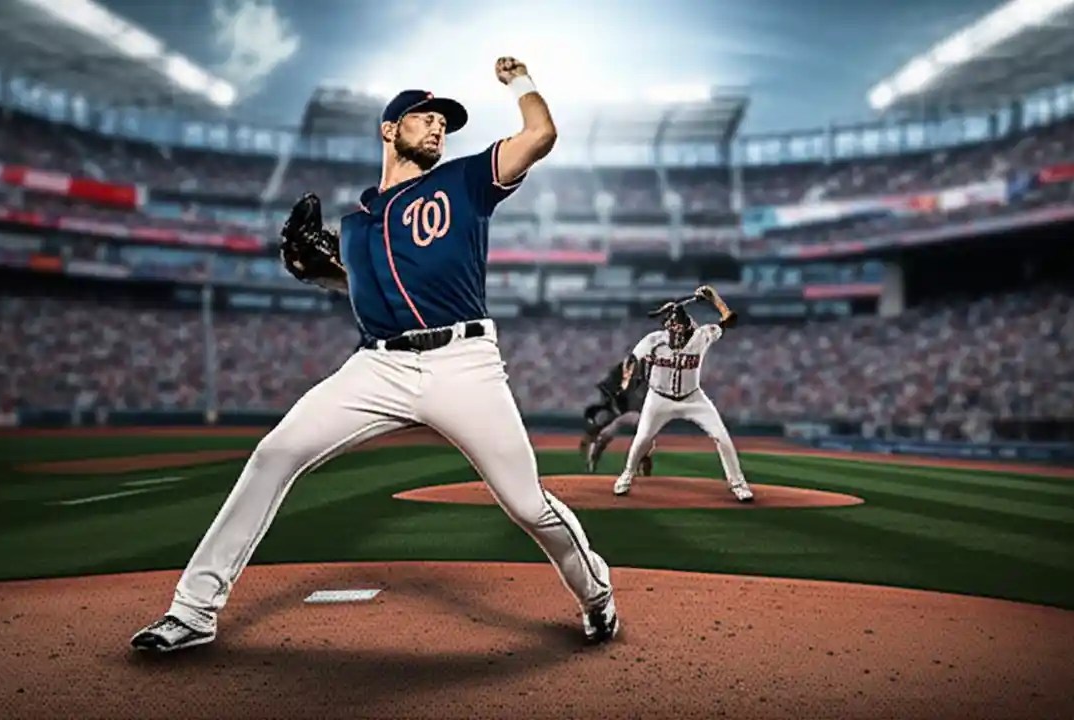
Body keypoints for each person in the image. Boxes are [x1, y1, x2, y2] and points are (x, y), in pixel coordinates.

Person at [130, 57, 619, 653]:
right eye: (425, 118)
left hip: (462, 363)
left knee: (526, 504)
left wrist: (520, 81)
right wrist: (323, 274)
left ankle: (596, 593)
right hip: (377, 366)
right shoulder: (356, 227)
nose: (438, 128)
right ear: (390, 130)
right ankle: (193, 610)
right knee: (274, 453)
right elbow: (367, 289)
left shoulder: (465, 181)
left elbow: (540, 136)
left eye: (445, 122)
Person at [612, 287, 754, 502]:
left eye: (680, 331)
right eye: (673, 331)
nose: (676, 337)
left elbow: (729, 320)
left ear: (690, 328)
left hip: (693, 398)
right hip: (658, 398)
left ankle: (738, 484)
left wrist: (714, 298)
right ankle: (627, 475)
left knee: (722, 438)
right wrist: (625, 382)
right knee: (642, 439)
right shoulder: (654, 340)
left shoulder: (702, 335)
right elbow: (631, 359)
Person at [579, 355, 655, 475]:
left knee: (642, 437)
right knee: (607, 430)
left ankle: (642, 463)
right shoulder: (622, 382)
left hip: (635, 416)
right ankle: (594, 457)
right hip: (627, 415)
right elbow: (610, 397)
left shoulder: (644, 382)